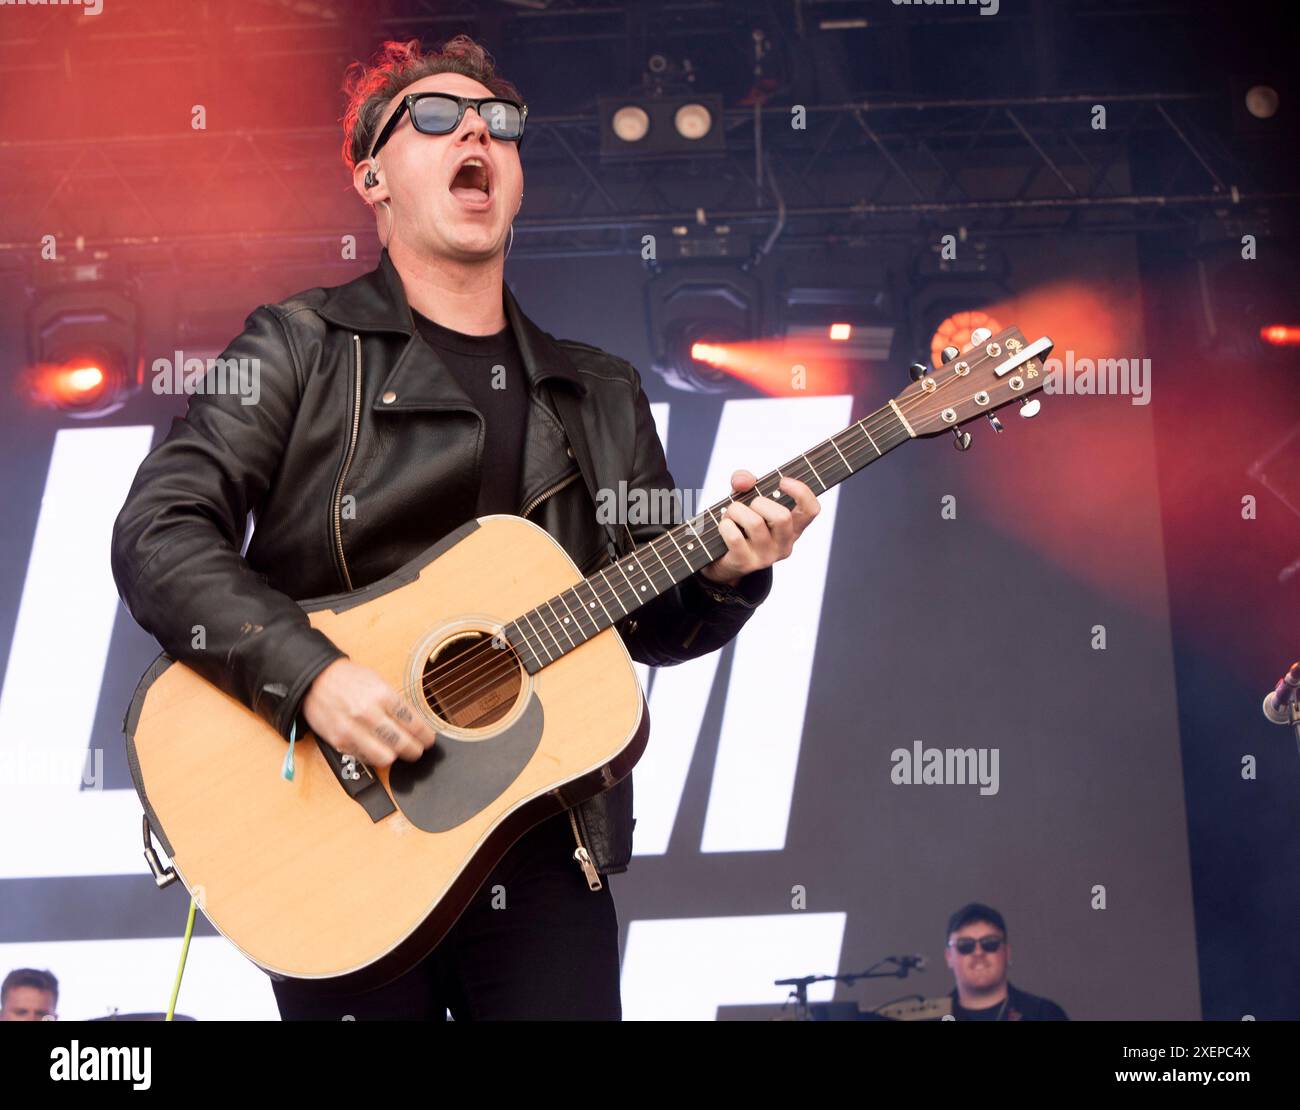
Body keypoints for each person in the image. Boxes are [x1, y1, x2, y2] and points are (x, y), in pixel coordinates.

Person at [110, 35, 820, 1021]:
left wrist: (729, 575)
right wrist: (310, 674)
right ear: (372, 177)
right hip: (338, 842)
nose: (477, 129)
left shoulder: (600, 390)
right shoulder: (297, 346)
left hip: (538, 840)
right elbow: (159, 532)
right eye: (434, 118)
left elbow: (645, 625)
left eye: (500, 123)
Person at [943, 903, 1068, 1021]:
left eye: (990, 943)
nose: (978, 953)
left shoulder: (1044, 1014)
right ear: (949, 957)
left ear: (1007, 953)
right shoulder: (929, 1017)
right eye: (965, 945)